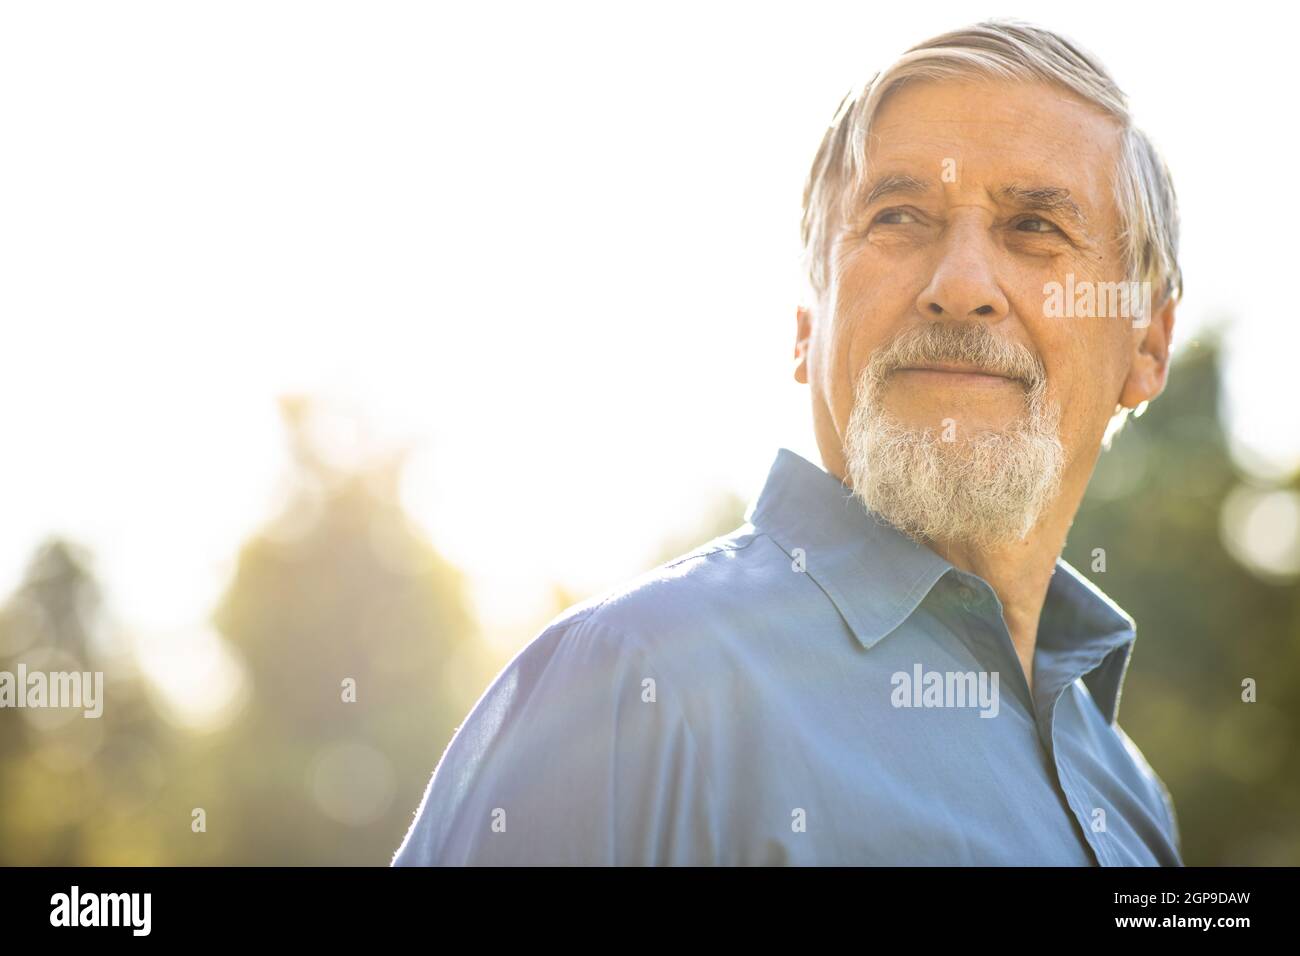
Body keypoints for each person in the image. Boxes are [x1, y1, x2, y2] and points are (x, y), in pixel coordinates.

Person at [393, 18, 1183, 866]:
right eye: (899, 216)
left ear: (1145, 347)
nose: (959, 286)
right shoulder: (632, 682)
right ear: (807, 328)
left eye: (1033, 228)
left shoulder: (1130, 793)